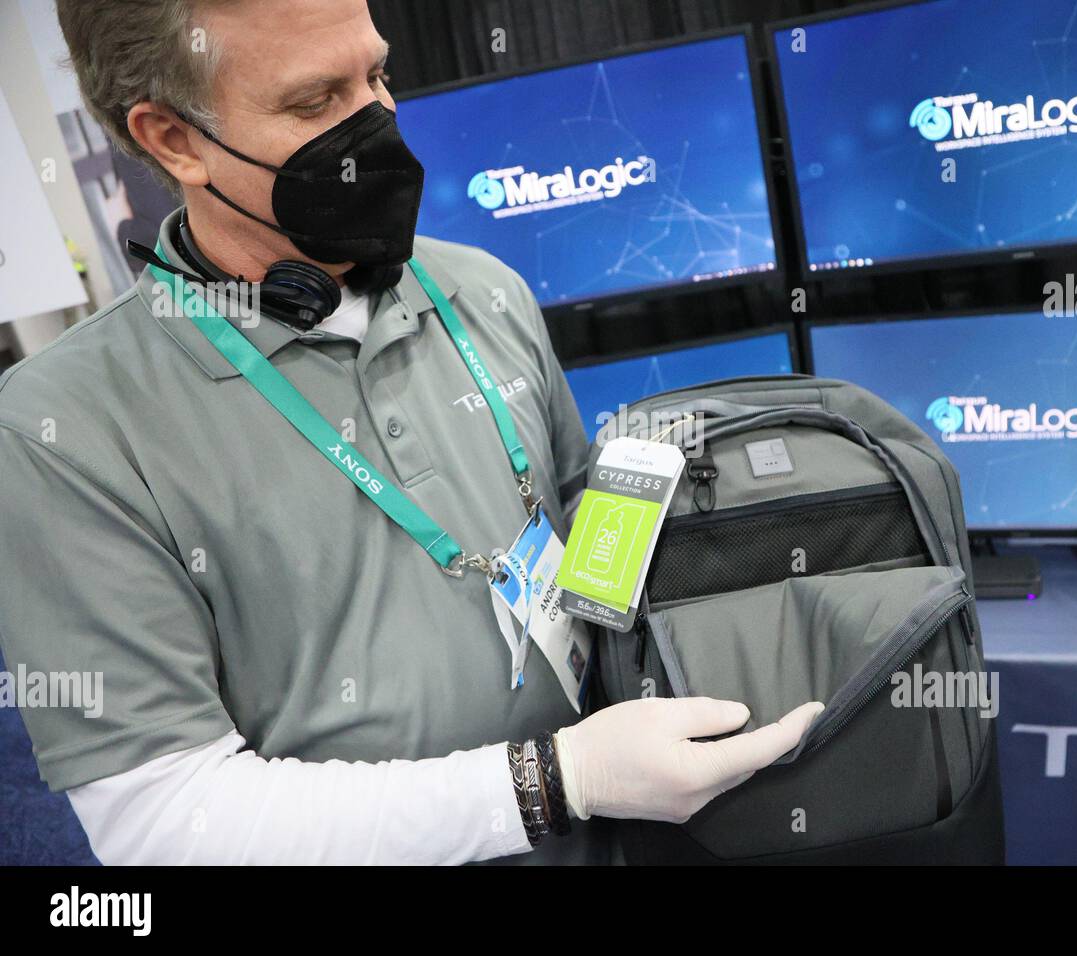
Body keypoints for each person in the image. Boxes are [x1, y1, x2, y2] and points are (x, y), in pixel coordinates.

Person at [0, 0, 821, 864]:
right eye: (315, 102)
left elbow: (591, 564)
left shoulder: (485, 290)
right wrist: (556, 779)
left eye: (377, 76)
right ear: (172, 139)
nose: (377, 124)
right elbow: (170, 824)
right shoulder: (63, 433)